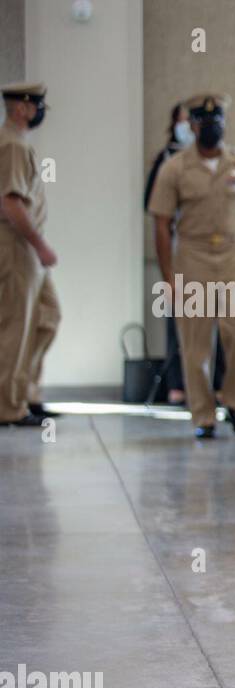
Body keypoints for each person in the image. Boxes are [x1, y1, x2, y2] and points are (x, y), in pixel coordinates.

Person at [147, 92, 235, 439]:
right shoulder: (175, 168)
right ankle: (203, 415)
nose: (212, 127)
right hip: (192, 258)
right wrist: (168, 277)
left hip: (234, 257)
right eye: (204, 121)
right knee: (196, 344)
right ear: (193, 125)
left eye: (218, 121)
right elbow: (161, 224)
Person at [0, 81, 60, 428]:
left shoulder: (18, 142)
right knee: (16, 326)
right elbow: (9, 202)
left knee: (47, 316)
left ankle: (27, 393)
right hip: (16, 245)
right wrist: (40, 245)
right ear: (21, 107)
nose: (39, 112)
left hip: (27, 248)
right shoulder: (11, 144)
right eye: (36, 105)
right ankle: (9, 407)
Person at [144, 101, 191, 406]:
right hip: (178, 251)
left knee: (216, 321)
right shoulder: (166, 160)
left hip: (214, 255)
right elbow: (154, 208)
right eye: (183, 120)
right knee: (178, 318)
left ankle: (215, 385)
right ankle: (177, 384)